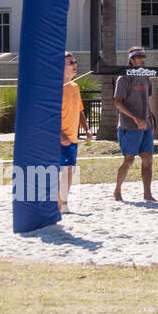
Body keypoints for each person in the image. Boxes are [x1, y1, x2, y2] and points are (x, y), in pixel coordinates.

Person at [112, 46, 158, 203]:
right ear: (131, 60)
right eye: (139, 56)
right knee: (129, 160)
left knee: (148, 159)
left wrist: (149, 119)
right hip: (128, 126)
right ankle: (117, 190)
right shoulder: (123, 78)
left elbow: (147, 99)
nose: (143, 59)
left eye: (144, 56)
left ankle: (147, 194)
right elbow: (117, 103)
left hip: (145, 125)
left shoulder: (145, 76)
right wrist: (135, 118)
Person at [60, 52, 92, 212]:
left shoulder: (74, 87)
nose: (74, 65)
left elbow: (80, 110)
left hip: (72, 138)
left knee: (69, 170)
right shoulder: (55, 88)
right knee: (55, 172)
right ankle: (56, 204)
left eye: (75, 62)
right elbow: (49, 115)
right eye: (70, 62)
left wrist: (87, 130)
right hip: (57, 139)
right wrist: (60, 135)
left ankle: (63, 204)